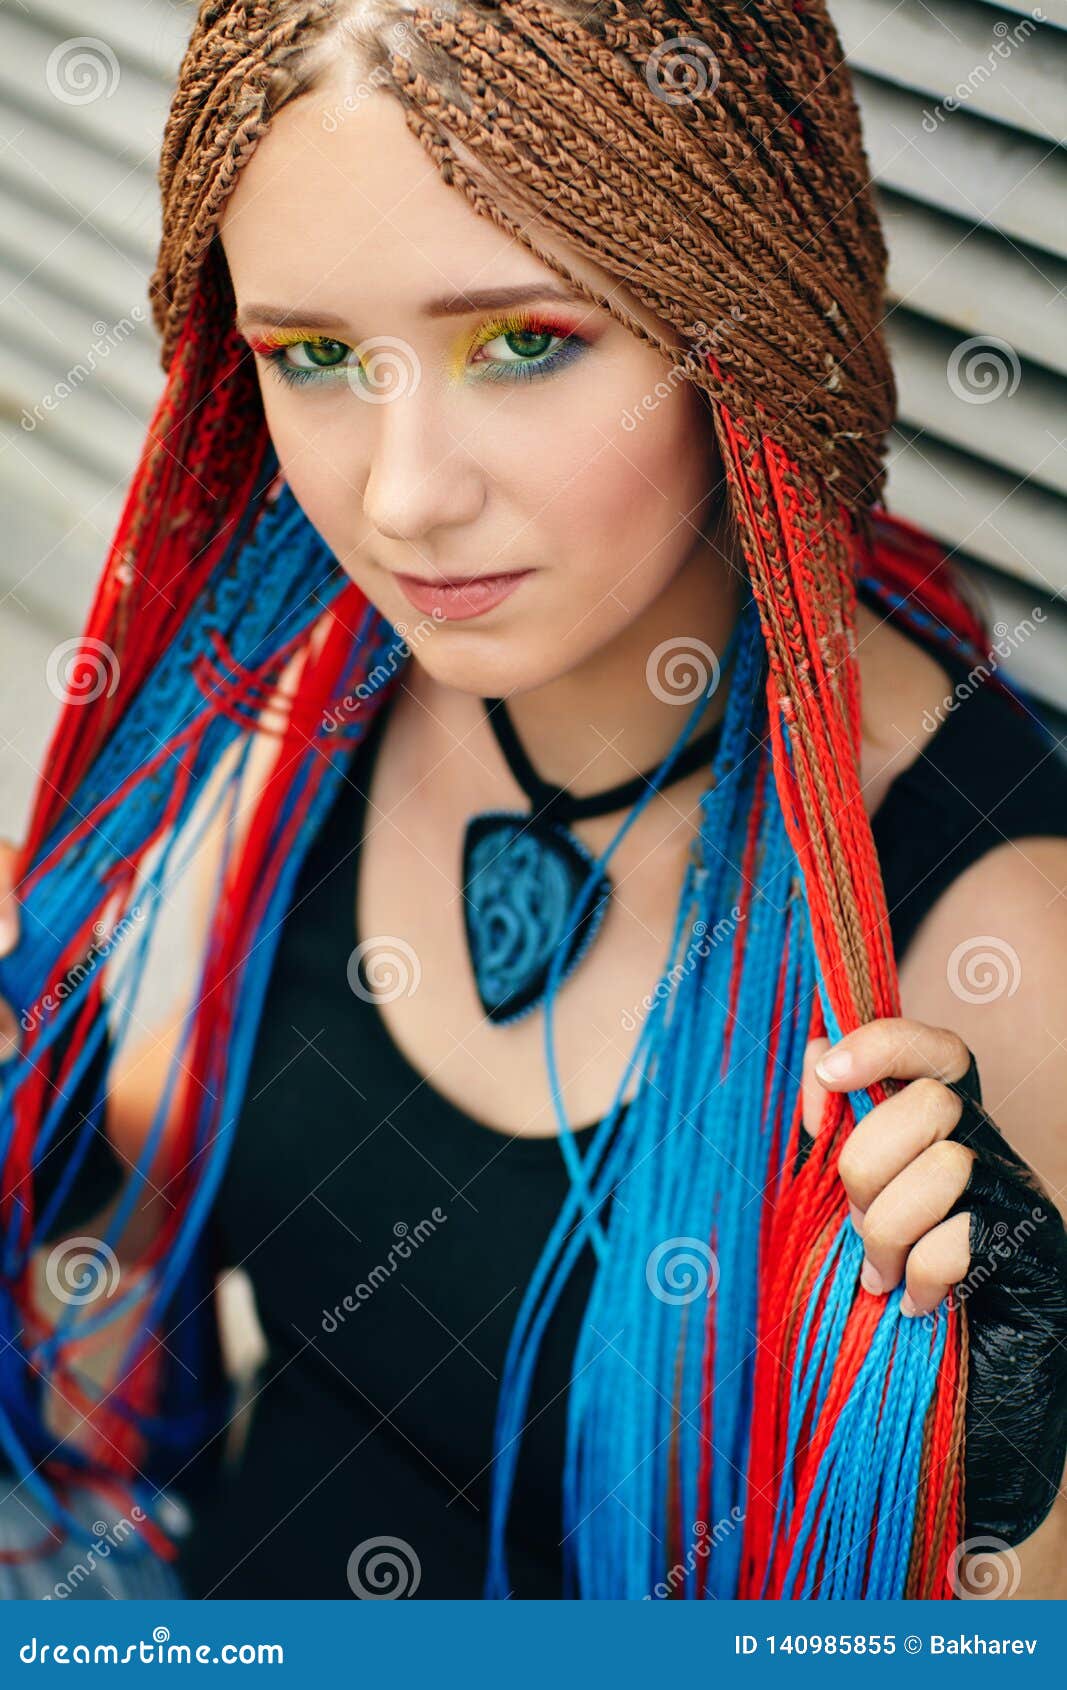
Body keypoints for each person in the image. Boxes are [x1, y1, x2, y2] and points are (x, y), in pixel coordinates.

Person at [0, 0, 1065, 1602]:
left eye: (522, 342)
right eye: (314, 357)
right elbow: (152, 1218)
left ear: (749, 330)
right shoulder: (304, 705)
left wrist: (953, 1498)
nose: (404, 491)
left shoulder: (1000, 940)